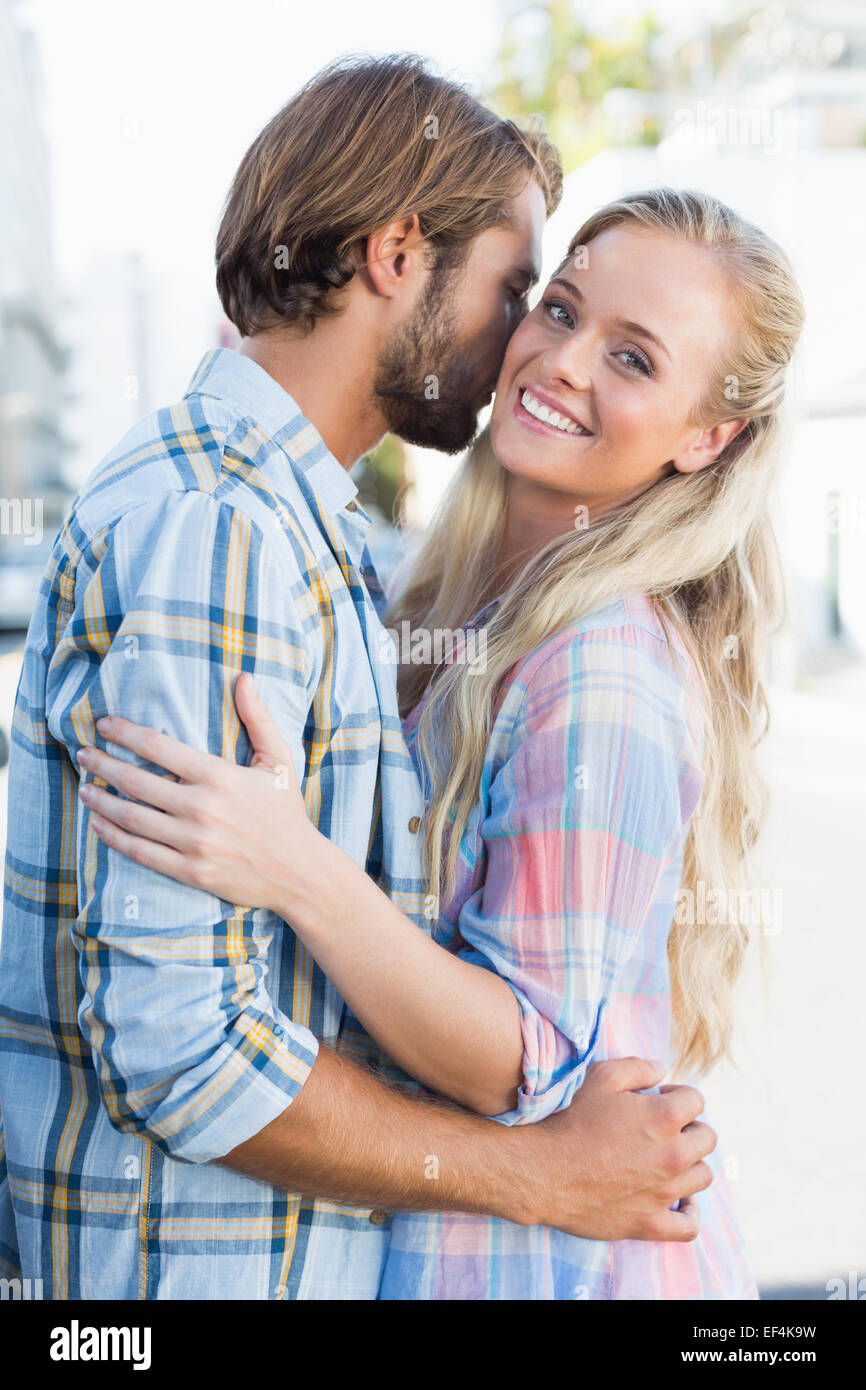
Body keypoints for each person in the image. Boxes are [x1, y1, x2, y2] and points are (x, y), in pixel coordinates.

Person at [0, 57, 713, 1302]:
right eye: (514, 292)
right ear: (395, 255)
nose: (517, 348)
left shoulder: (297, 526)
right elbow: (185, 1053)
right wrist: (538, 1175)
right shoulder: (220, 525)